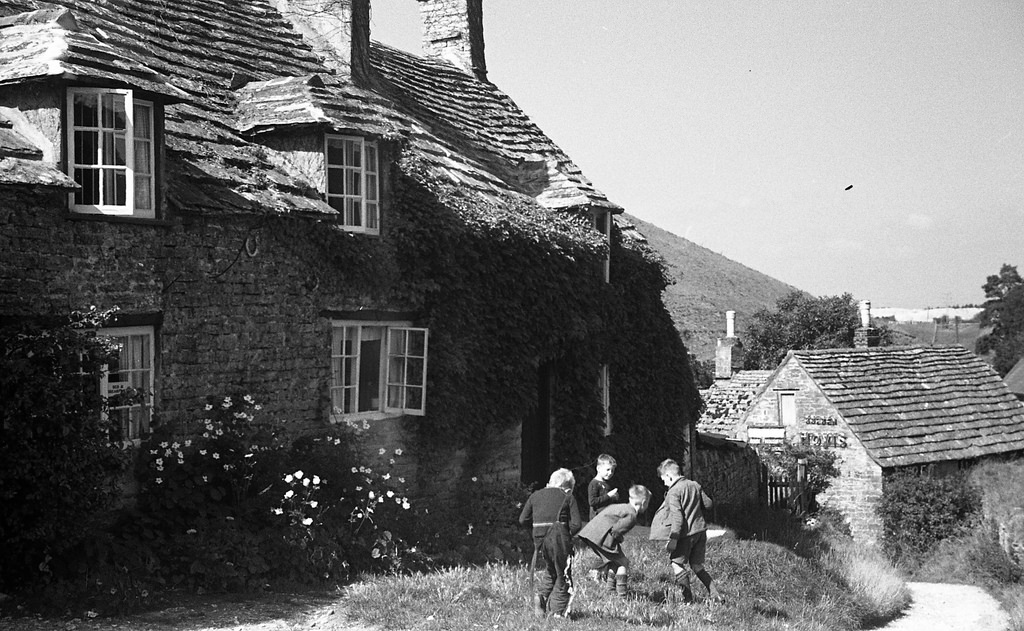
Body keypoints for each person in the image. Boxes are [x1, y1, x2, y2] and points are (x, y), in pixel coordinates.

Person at [649, 458, 721, 603]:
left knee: (676, 564)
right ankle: (715, 594)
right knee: (697, 565)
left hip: (685, 535)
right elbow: (708, 504)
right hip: (700, 531)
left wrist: (673, 539)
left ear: (669, 476)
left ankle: (687, 599)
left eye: (664, 480)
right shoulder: (694, 484)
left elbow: (678, 518)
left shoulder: (673, 492)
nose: (664, 484)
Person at [519, 468, 583, 618]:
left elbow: (523, 520)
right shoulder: (567, 497)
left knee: (551, 570)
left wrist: (536, 533)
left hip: (540, 543)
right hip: (558, 541)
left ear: (549, 483)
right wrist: (566, 536)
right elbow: (577, 525)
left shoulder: (535, 496)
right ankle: (558, 613)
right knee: (563, 575)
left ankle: (541, 597)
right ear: (568, 488)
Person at [577, 484, 651, 598]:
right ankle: (622, 596)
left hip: (591, 534)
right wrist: (619, 538)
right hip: (602, 537)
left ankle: (610, 591)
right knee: (623, 563)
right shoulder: (631, 515)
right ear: (644, 502)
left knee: (614, 562)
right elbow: (616, 531)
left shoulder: (620, 506)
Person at [588, 453, 620, 520]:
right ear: (598, 468)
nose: (610, 473)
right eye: (608, 470)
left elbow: (606, 501)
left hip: (606, 517)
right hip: (596, 519)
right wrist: (609, 495)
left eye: (612, 471)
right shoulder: (594, 484)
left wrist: (614, 497)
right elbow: (592, 502)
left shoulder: (607, 483)